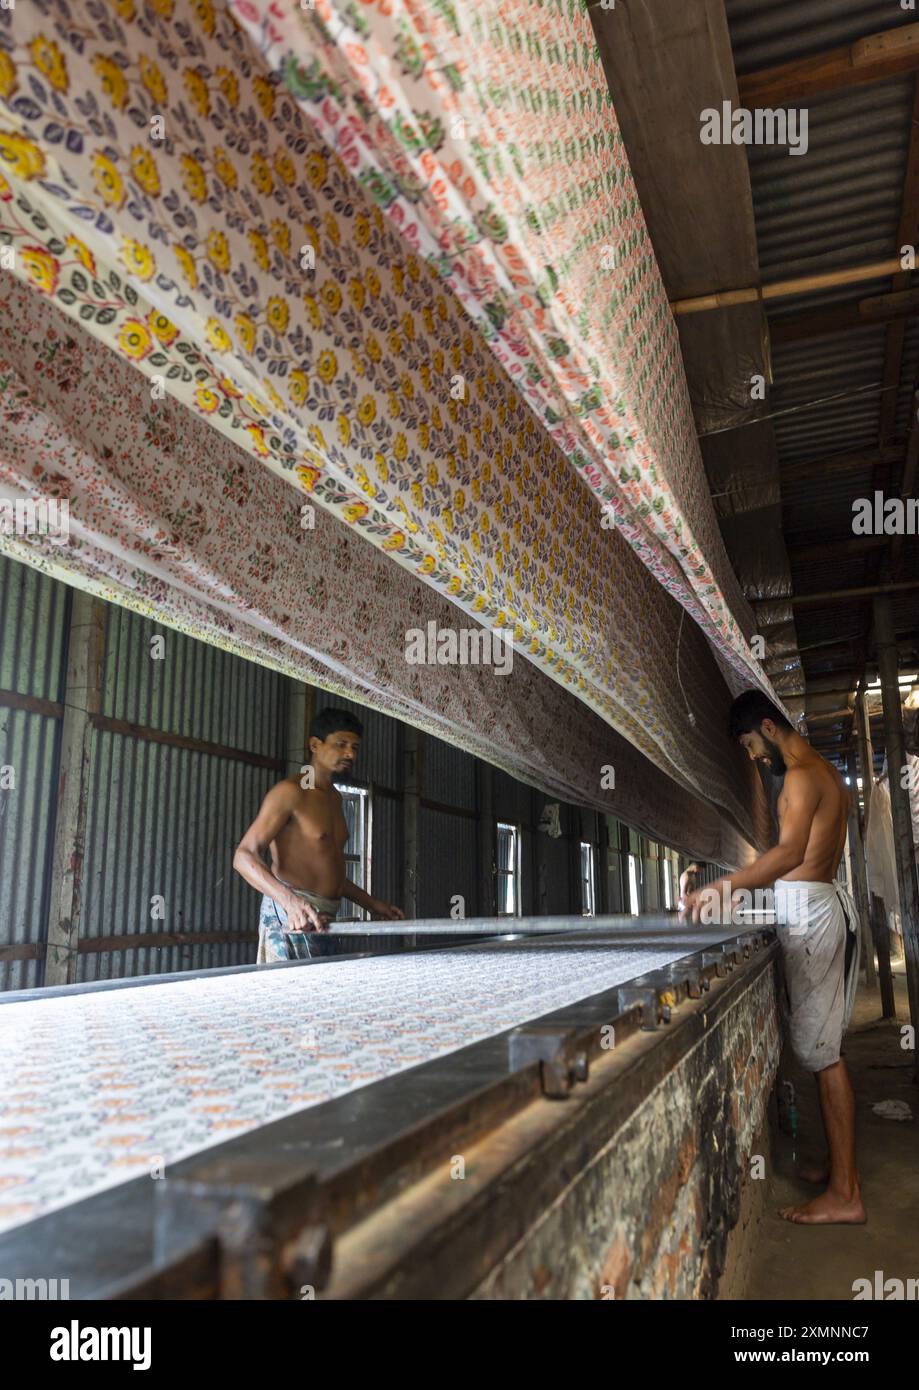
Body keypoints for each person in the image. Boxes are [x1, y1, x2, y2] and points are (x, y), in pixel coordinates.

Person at [682, 690, 864, 1226]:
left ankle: (846, 1195)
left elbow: (789, 855)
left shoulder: (802, 778)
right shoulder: (823, 772)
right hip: (815, 909)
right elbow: (798, 858)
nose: (753, 756)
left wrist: (726, 886)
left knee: (823, 1055)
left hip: (812, 917)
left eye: (749, 744)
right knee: (820, 1044)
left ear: (766, 725)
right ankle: (839, 1167)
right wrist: (746, 890)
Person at [233, 707, 404, 962]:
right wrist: (290, 902)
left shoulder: (335, 798)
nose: (350, 753)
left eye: (355, 747)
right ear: (315, 744)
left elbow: (327, 869)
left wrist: (371, 903)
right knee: (289, 998)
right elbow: (243, 856)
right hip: (291, 918)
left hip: (325, 920)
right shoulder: (290, 792)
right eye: (341, 744)